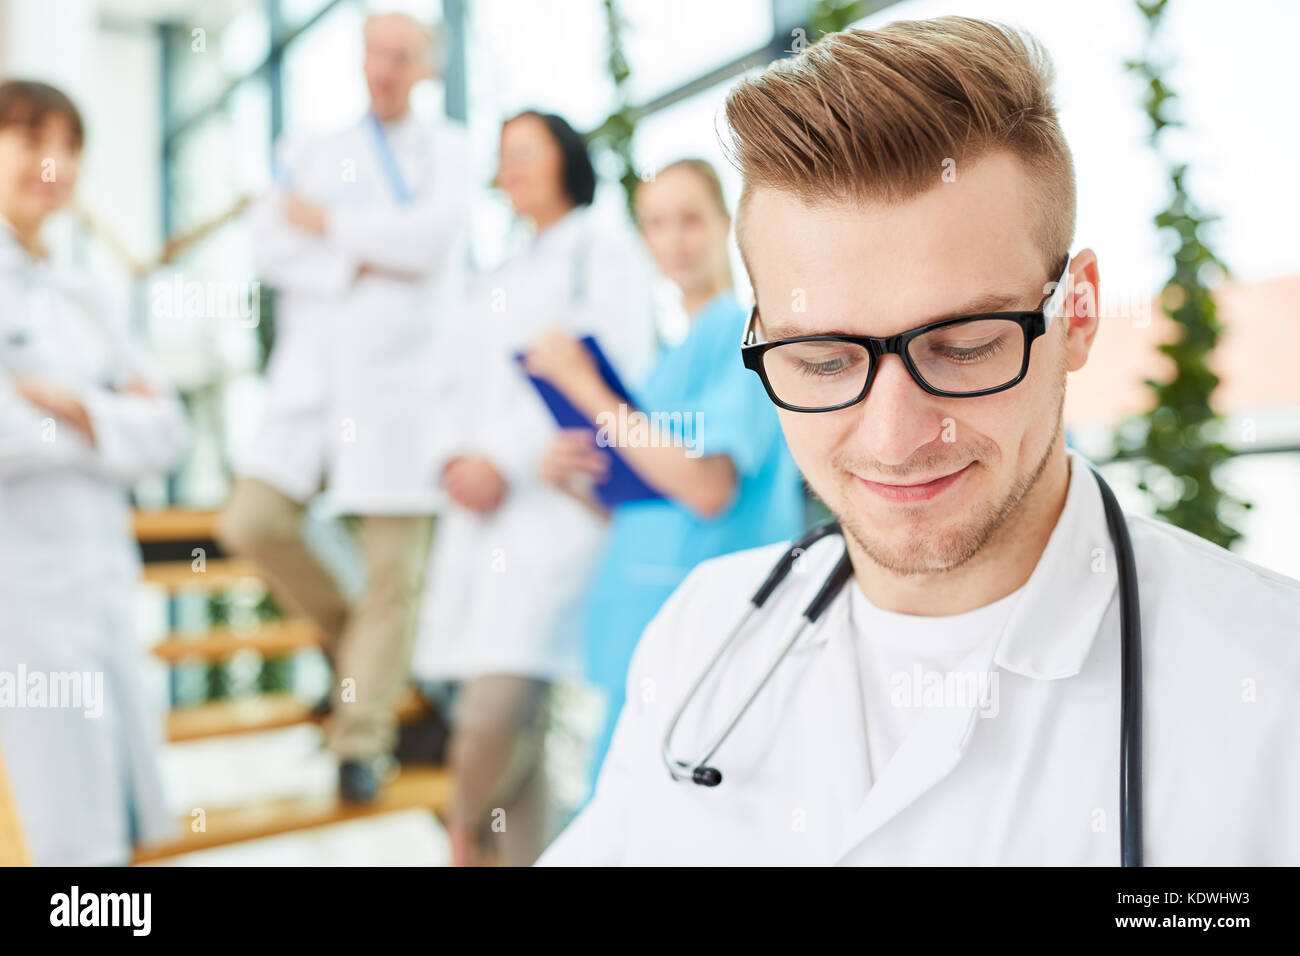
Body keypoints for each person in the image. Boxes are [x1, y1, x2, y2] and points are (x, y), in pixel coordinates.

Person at [537, 17, 1300, 866]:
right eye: (822, 360)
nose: (895, 437)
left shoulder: (1273, 688)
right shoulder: (701, 638)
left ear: (1077, 313)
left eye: (964, 347)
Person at [216, 12, 473, 803]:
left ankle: (359, 741)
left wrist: (330, 228)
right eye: (375, 53)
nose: (385, 69)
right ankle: (363, 657)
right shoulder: (311, 150)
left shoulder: (449, 152)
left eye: (402, 57)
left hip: (401, 397)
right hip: (314, 386)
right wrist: (363, 256)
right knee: (249, 524)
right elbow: (270, 248)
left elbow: (429, 243)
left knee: (393, 581)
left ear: (425, 68)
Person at [410, 110, 658, 866]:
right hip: (483, 514)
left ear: (565, 160)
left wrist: (509, 462)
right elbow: (448, 385)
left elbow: (610, 372)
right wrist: (455, 457)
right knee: (518, 749)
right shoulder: (496, 271)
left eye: (525, 152)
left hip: (557, 507)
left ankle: (456, 832)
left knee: (501, 703)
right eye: (502, 155)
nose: (508, 167)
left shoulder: (600, 250)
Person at [526, 158, 803, 796]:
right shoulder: (665, 364)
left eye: (690, 220)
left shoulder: (745, 340)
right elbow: (643, 504)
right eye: (655, 224)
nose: (673, 240)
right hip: (640, 633)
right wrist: (570, 477)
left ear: (726, 225)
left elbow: (707, 489)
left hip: (708, 642)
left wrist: (584, 388)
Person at [0, 80, 190, 864]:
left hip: (101, 582)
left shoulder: (88, 295)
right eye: (32, 140)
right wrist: (108, 415)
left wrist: (71, 408)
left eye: (69, 147)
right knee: (54, 826)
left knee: (114, 818)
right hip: (23, 597)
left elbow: (170, 432)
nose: (55, 163)